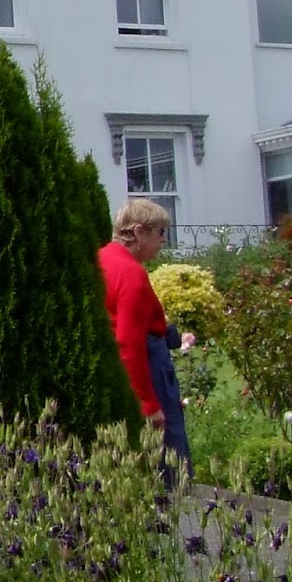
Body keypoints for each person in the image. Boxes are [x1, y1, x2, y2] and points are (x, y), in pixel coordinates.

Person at [98, 198, 192, 483]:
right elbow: (129, 343)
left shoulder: (103, 257)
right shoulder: (131, 273)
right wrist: (149, 405)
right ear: (138, 232)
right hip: (148, 365)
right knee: (169, 453)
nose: (164, 240)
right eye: (160, 232)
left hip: (125, 361)